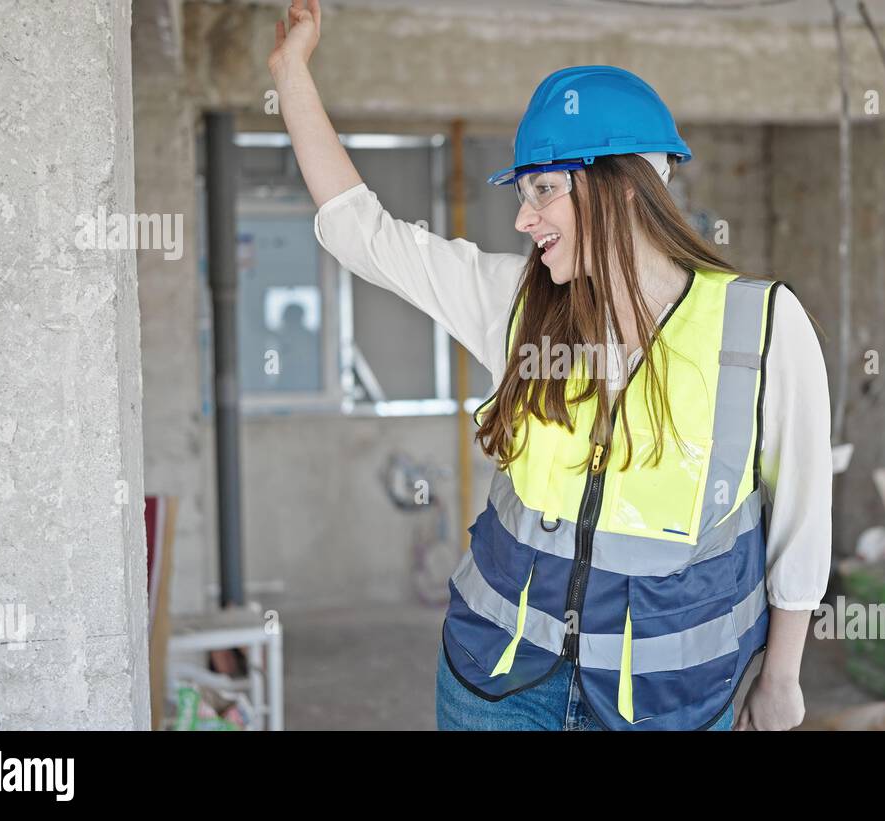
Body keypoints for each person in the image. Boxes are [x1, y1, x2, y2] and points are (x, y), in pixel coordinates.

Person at [268, 0, 832, 731]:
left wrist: (782, 677)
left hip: (664, 705)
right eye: (523, 192)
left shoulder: (762, 327)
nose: (522, 217)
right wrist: (290, 73)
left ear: (623, 188)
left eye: (543, 189)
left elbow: (802, 516)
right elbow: (361, 233)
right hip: (497, 683)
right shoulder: (520, 302)